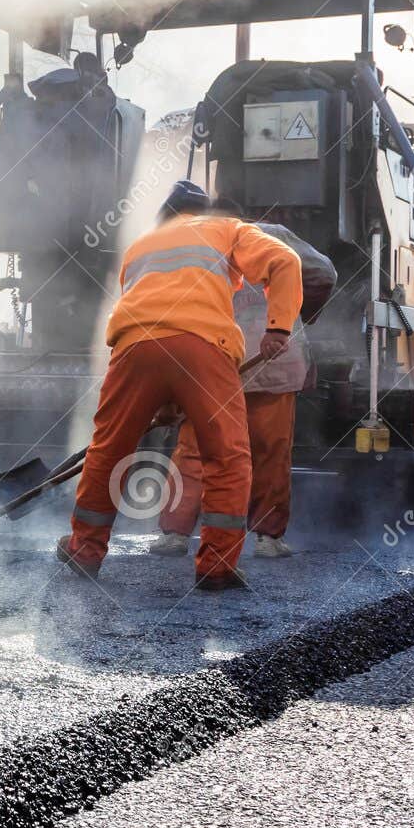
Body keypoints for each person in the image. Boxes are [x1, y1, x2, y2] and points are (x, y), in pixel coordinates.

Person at [57, 179, 302, 591]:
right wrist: (277, 327)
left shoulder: (139, 248)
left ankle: (85, 550)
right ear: (202, 212)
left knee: (108, 450)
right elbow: (286, 262)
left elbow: (151, 320)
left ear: (163, 216)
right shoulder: (227, 229)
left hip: (133, 348)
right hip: (203, 346)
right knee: (227, 456)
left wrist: (166, 403)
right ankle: (216, 566)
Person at [152, 223, 336, 560]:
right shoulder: (275, 235)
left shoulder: (194, 240)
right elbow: (322, 274)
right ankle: (268, 540)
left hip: (214, 360)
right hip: (274, 359)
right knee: (269, 451)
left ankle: (174, 535)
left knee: (194, 449)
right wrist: (299, 314)